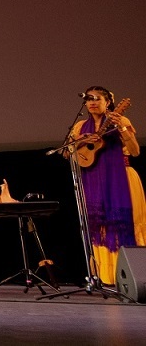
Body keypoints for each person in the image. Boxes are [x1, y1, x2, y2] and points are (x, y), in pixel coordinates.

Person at [67, 85, 144, 285]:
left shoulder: (120, 120)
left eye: (97, 99)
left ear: (108, 102)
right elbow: (67, 153)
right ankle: (106, 278)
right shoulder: (80, 127)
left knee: (125, 224)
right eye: (89, 99)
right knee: (100, 228)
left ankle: (135, 278)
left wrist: (123, 129)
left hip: (122, 180)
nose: (92, 102)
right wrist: (83, 139)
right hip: (93, 179)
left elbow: (135, 151)